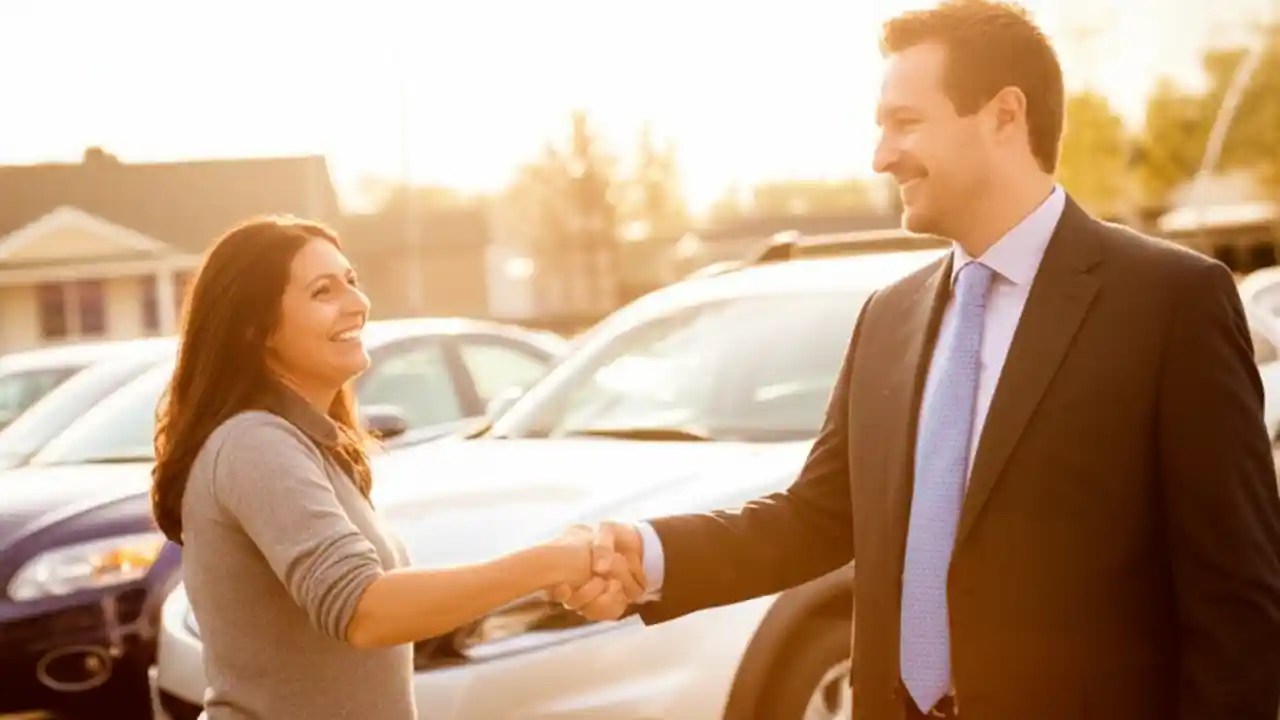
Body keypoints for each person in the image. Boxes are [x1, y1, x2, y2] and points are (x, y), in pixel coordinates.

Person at [554, 2, 1280, 718]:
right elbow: (817, 519)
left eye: (906, 122)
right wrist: (650, 554)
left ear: (1005, 115)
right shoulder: (888, 317)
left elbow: (1237, 604)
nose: (881, 156)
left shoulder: (1170, 301)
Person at [150, 217, 639, 719]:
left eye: (352, 281)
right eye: (323, 291)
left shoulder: (306, 444)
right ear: (257, 329)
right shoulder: (254, 443)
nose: (357, 303)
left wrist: (545, 577)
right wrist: (549, 562)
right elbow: (364, 610)